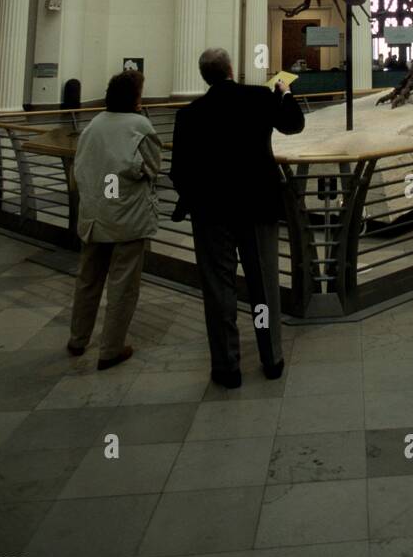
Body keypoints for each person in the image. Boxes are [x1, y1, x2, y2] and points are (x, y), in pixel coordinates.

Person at [169, 48, 304, 388]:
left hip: (211, 212)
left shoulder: (189, 115)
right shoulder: (258, 97)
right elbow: (293, 124)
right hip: (257, 206)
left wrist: (197, 197)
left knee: (219, 289)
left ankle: (227, 366)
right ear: (231, 69)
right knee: (263, 286)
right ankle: (271, 357)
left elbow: (179, 172)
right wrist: (286, 94)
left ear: (205, 76)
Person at [68, 70, 162, 371]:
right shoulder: (139, 125)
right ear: (135, 96)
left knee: (88, 279)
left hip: (95, 215)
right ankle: (110, 348)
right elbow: (151, 167)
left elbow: (80, 166)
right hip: (126, 217)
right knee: (123, 283)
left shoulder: (93, 125)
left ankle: (78, 338)